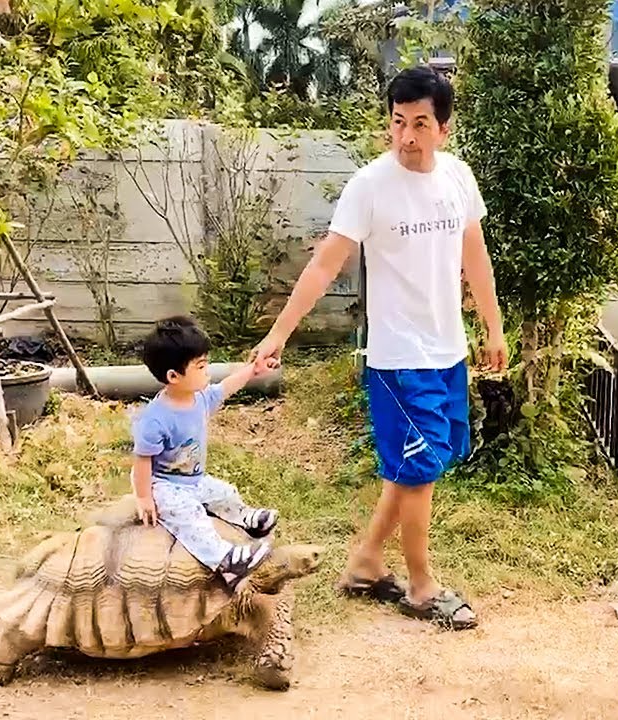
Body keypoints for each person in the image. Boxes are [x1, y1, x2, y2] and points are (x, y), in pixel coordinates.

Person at [249, 66, 507, 629]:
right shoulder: (369, 185)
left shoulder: (459, 179)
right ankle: (420, 586)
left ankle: (366, 563)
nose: (407, 137)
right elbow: (324, 264)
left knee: (420, 466)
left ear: (444, 127)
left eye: (420, 124)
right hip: (397, 358)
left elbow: (476, 259)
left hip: (447, 352)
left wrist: (492, 327)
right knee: (417, 473)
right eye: (397, 122)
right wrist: (278, 333)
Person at [131, 315, 281, 592]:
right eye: (200, 366)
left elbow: (226, 387)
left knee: (224, 491)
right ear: (173, 376)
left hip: (193, 479)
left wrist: (253, 370)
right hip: (164, 485)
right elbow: (142, 461)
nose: (207, 370)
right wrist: (143, 497)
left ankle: (244, 519)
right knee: (190, 517)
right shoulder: (155, 420)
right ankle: (225, 561)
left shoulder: (199, 398)